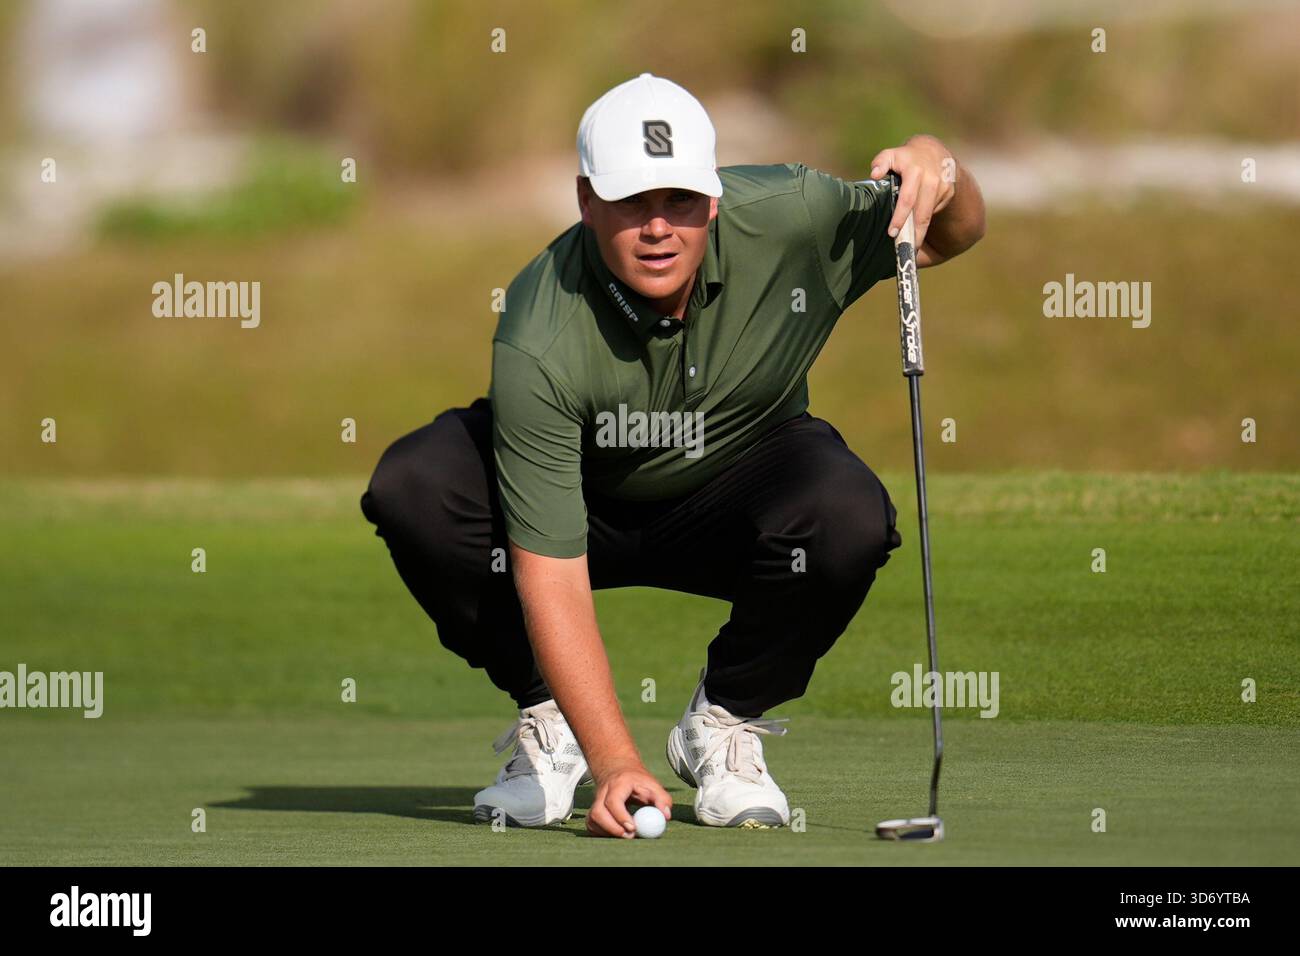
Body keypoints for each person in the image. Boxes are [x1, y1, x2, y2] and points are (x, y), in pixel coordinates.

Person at [361, 73, 985, 838]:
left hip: (737, 485)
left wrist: (938, 165)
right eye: (632, 203)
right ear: (586, 200)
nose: (659, 228)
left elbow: (946, 234)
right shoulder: (538, 327)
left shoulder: (792, 215)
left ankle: (723, 722)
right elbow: (551, 572)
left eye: (681, 201)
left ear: (715, 196)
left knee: (845, 510)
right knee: (417, 483)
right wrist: (616, 757)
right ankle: (554, 725)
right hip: (579, 500)